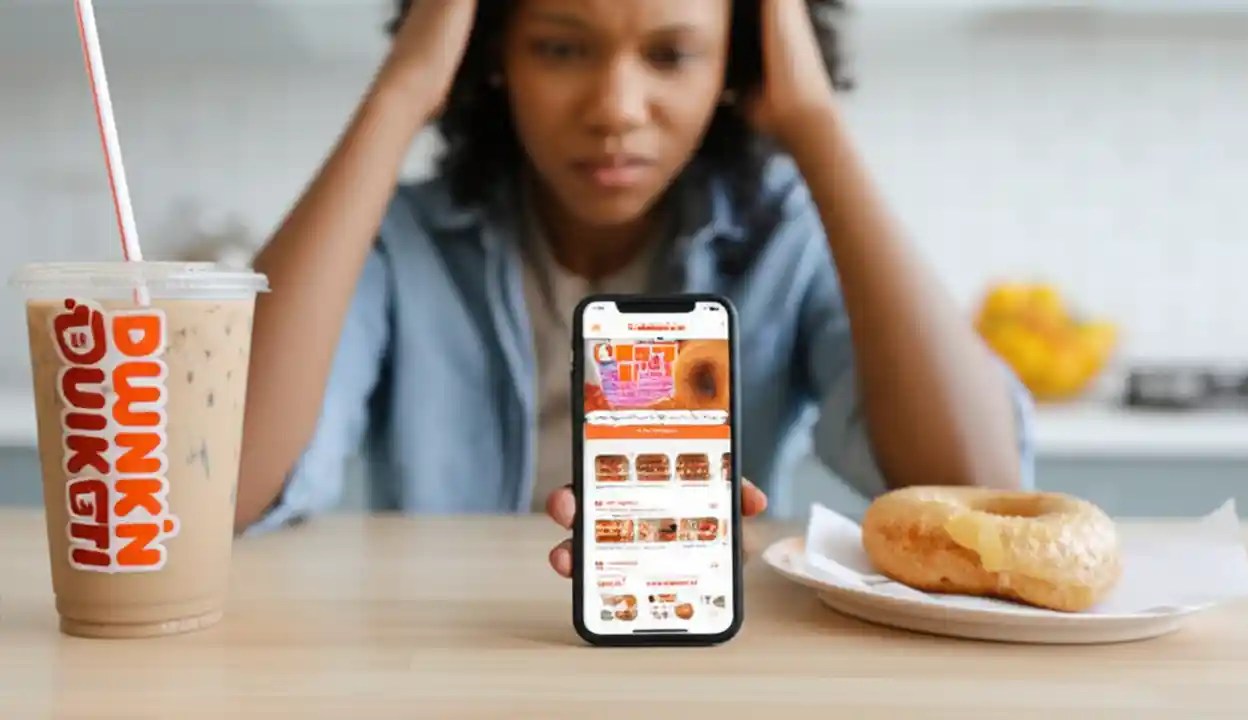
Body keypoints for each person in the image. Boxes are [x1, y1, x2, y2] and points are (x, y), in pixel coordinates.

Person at [234, 0, 1036, 580]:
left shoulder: (781, 236)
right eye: (559, 48)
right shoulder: (399, 239)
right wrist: (401, 92)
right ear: (494, 58)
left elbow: (982, 492)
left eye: (672, 54)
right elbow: (221, 489)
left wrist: (814, 120)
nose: (615, 110)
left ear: (735, 65)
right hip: (441, 662)